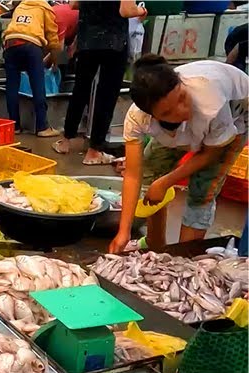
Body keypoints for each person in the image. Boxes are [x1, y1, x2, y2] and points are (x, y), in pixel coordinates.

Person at [110, 56, 248, 253]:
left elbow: (210, 154)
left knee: (202, 189)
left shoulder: (211, 99)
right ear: (153, 116)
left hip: (237, 117)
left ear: (181, 84)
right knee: (152, 170)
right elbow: (133, 174)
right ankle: (155, 244)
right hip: (185, 129)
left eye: (181, 97)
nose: (182, 110)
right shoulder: (137, 118)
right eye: (167, 112)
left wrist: (166, 182)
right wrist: (123, 232)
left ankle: (183, 256)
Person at [54, 0, 147, 165]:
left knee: (80, 89)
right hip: (114, 42)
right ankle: (94, 151)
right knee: (106, 95)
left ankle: (66, 141)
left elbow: (74, 4)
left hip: (87, 40)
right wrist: (140, 10)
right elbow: (126, 10)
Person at [3, 0, 62, 136]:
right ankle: (42, 127)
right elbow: (53, 38)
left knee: (11, 86)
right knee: (37, 85)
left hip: (10, 43)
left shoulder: (21, 5)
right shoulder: (45, 8)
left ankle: (14, 126)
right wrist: (54, 60)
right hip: (31, 45)